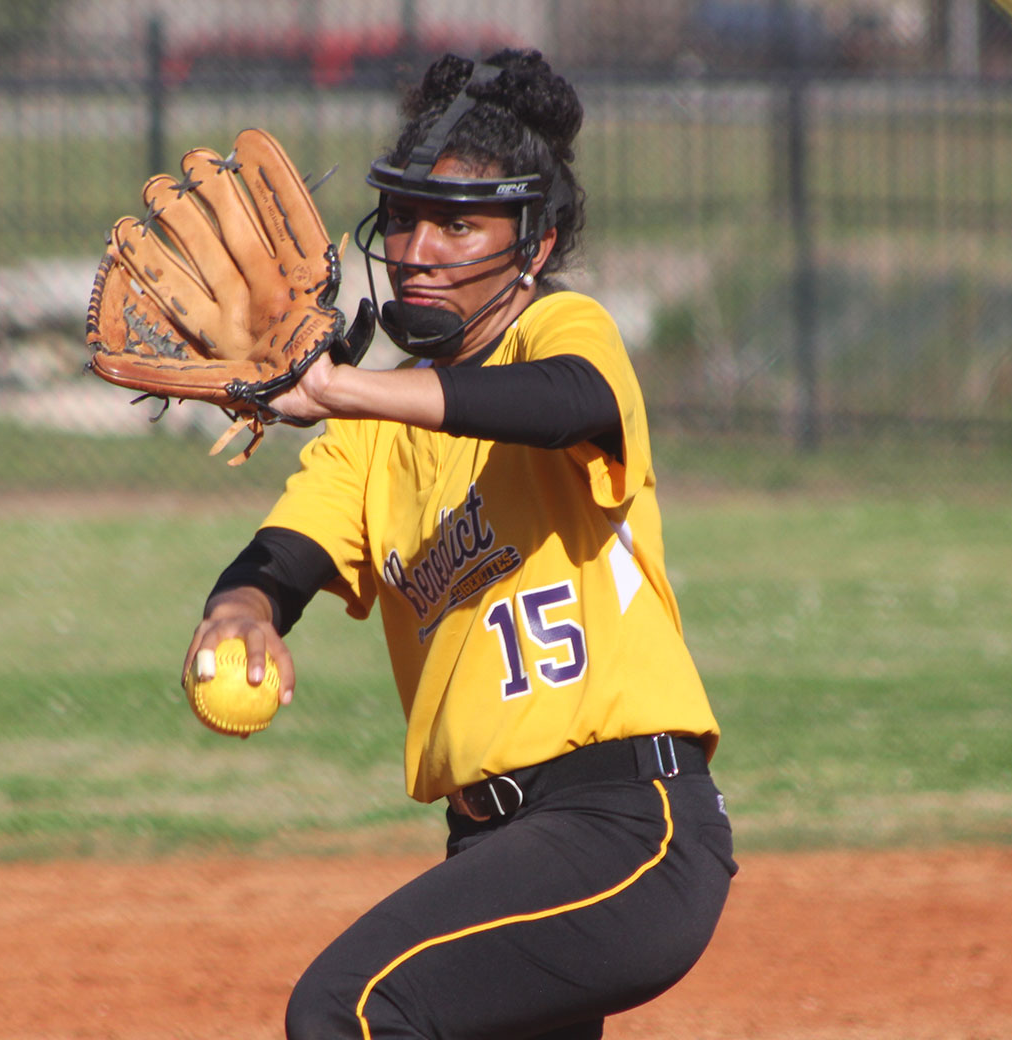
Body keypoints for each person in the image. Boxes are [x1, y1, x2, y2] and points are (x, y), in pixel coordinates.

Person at [182, 48, 736, 1040]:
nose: (420, 244)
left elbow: (572, 402)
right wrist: (239, 614)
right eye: (402, 216)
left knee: (351, 1006)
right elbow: (283, 556)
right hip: (491, 844)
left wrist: (342, 384)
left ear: (535, 241)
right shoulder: (371, 438)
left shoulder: (560, 332)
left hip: (627, 826)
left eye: (457, 221)